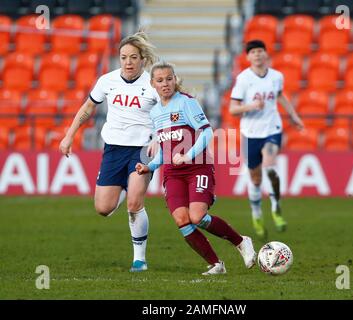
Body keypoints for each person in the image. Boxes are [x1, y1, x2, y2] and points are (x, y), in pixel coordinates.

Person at [135, 61, 257, 275]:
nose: (166, 84)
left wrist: (187, 155)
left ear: (175, 80)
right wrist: (150, 166)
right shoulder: (155, 113)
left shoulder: (186, 103)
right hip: (173, 173)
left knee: (197, 216)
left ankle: (241, 241)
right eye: (160, 80)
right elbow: (164, 148)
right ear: (153, 84)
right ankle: (216, 264)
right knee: (182, 219)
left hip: (197, 167)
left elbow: (207, 132)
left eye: (169, 79)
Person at [59, 32, 159, 272]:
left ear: (143, 59)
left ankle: (139, 260)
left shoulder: (153, 84)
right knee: (103, 209)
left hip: (142, 150)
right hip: (113, 150)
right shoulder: (107, 80)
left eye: (133, 57)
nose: (128, 62)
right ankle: (125, 187)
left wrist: (158, 138)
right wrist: (69, 135)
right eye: (124, 57)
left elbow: (168, 113)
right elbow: (88, 107)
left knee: (135, 203)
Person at [229, 40, 304, 239]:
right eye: (253, 52)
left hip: (272, 129)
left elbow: (280, 96)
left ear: (266, 54)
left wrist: (293, 115)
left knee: (270, 165)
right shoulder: (244, 79)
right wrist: (251, 106)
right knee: (255, 178)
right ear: (248, 57)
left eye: (260, 51)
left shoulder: (277, 76)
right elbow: (233, 109)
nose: (257, 55)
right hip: (250, 133)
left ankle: (276, 208)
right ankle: (256, 214)